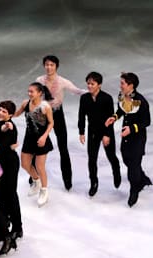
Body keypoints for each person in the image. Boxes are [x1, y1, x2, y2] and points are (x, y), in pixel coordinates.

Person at [36, 55, 86, 191]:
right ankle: (34, 177)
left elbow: (78, 91)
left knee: (63, 147)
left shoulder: (63, 81)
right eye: (46, 64)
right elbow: (35, 96)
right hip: (43, 114)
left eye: (51, 65)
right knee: (38, 145)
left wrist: (93, 91)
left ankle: (67, 180)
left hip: (57, 114)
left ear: (56, 66)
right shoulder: (39, 80)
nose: (49, 67)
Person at [105, 72, 152, 207]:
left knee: (134, 164)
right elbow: (121, 110)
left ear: (131, 85)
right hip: (125, 136)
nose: (120, 86)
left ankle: (134, 189)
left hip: (137, 137)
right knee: (127, 160)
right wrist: (114, 117)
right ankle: (142, 178)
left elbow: (147, 121)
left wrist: (131, 129)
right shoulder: (122, 96)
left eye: (122, 83)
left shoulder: (140, 101)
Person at [0, 100, 22, 254]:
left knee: (10, 195)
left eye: (4, 111)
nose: (1, 112)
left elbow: (4, 143)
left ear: (11, 115)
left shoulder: (10, 127)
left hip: (9, 164)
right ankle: (4, 226)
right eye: (0, 109)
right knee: (0, 197)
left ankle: (17, 227)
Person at [78, 71, 121, 197]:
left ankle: (116, 170)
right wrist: (81, 132)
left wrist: (107, 134)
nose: (89, 86)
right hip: (92, 131)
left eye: (92, 84)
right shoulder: (84, 98)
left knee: (111, 156)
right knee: (92, 159)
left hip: (106, 131)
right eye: (88, 84)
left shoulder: (106, 98)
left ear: (99, 85)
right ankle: (94, 183)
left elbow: (111, 118)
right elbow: (81, 116)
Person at [14, 82, 54, 207]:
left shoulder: (45, 107)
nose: (29, 93)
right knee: (25, 164)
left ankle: (44, 190)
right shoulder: (26, 103)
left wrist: (44, 136)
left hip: (41, 139)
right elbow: (16, 114)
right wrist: (1, 112)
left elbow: (51, 123)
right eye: (29, 91)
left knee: (39, 166)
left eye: (32, 91)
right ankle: (36, 181)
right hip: (29, 138)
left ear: (40, 93)